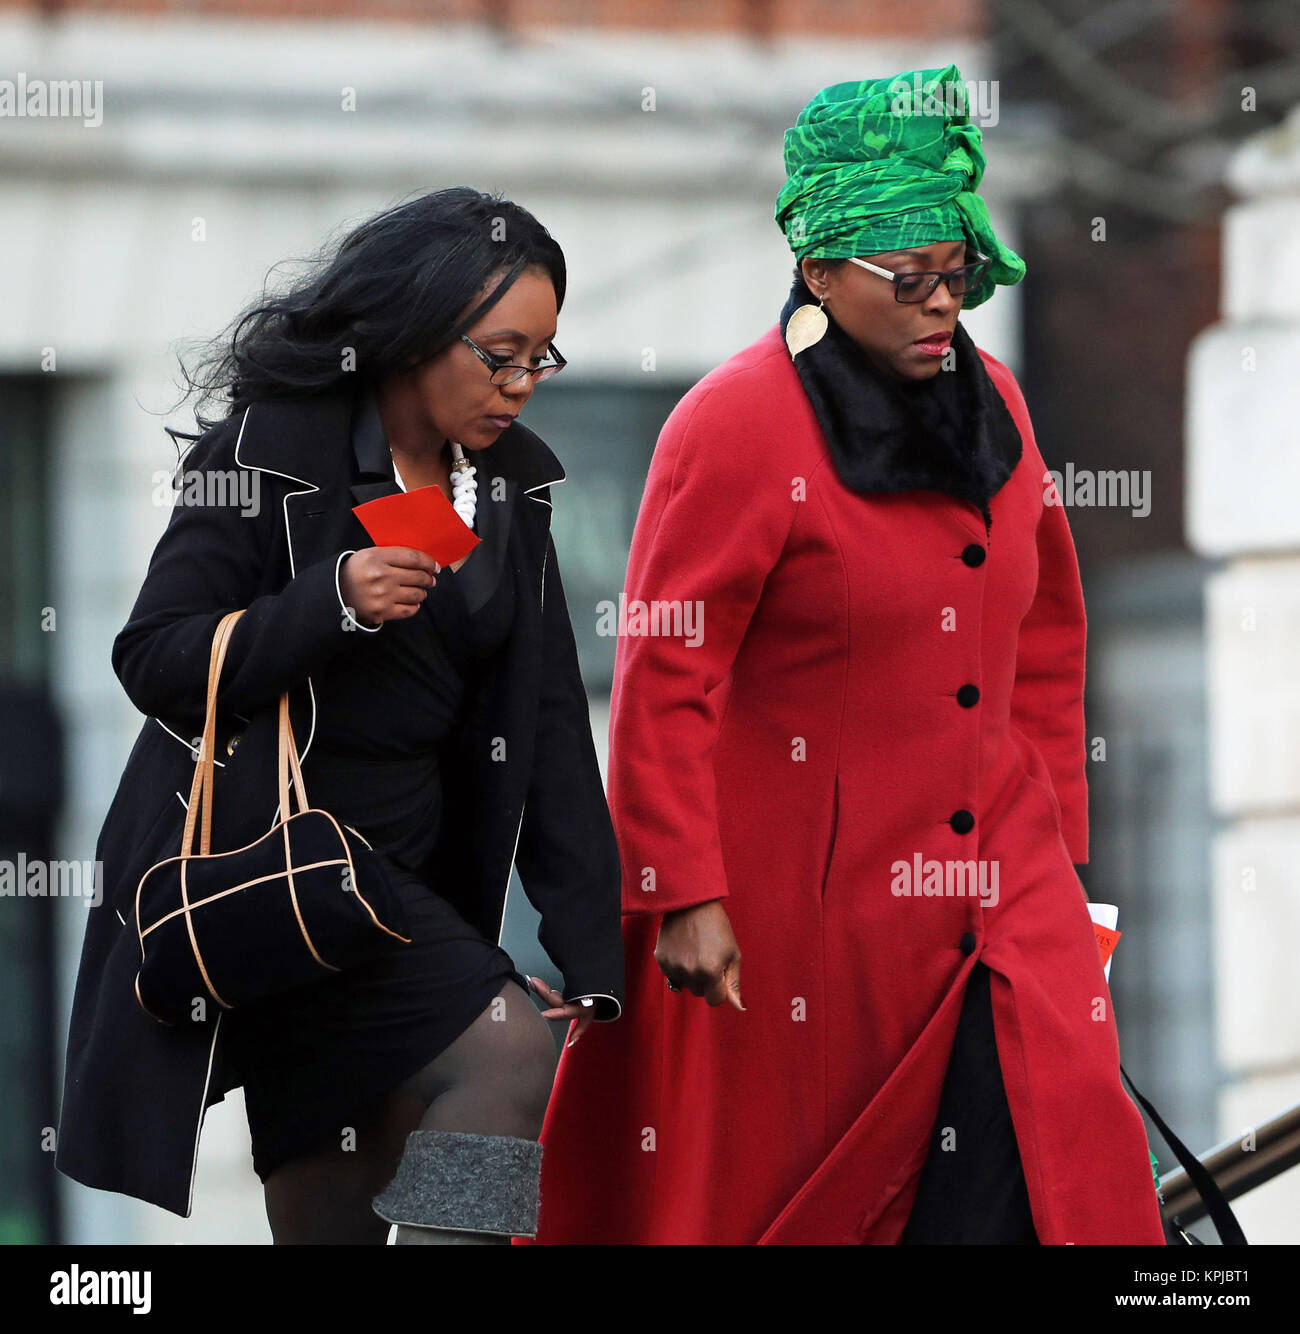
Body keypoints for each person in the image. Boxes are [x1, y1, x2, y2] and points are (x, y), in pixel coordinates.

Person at [526, 67, 1167, 1245]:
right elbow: (670, 669)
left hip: (1005, 884)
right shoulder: (733, 421)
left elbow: (1042, 642)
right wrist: (681, 892)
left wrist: (1066, 868)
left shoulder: (1003, 405)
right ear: (818, 273)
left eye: (957, 277)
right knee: (811, 1194)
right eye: (907, 280)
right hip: (806, 911)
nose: (939, 307)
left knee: (1059, 1152)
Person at [55, 187, 624, 1244]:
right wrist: (330, 598)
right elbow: (155, 653)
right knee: (495, 1065)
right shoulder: (273, 451)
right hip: (277, 887)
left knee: (411, 1143)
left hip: (401, 892)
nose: (520, 385)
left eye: (540, 357)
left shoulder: (505, 490)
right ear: (412, 331)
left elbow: (547, 726)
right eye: (499, 353)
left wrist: (590, 951)